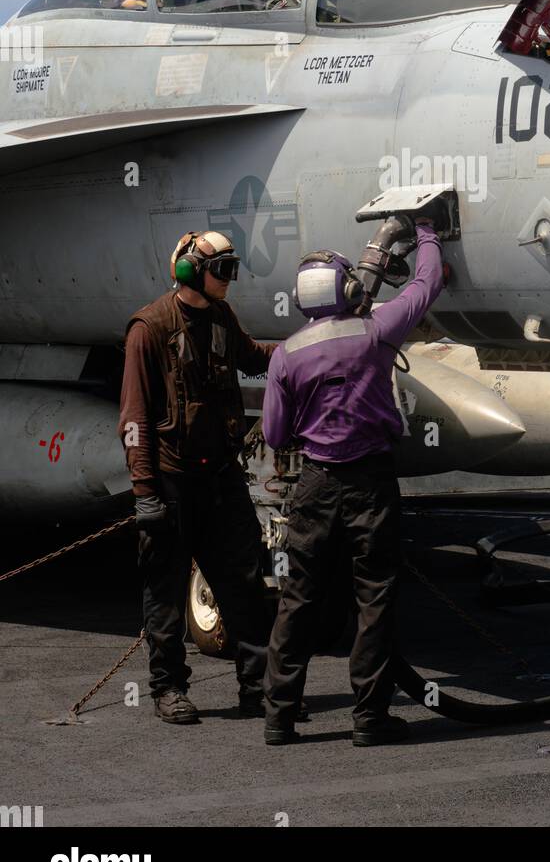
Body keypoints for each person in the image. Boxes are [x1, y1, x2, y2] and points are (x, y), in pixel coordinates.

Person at [262, 218, 445, 747]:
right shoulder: (378, 329)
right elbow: (425, 284)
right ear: (348, 289)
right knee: (376, 598)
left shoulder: (285, 355)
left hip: (316, 484)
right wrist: (430, 234)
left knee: (297, 600)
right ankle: (369, 718)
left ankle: (279, 718)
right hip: (371, 482)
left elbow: (275, 434)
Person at [119, 230, 276, 724]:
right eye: (222, 271)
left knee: (245, 581)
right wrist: (145, 491)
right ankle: (168, 688)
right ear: (190, 271)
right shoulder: (150, 327)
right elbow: (133, 418)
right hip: (171, 481)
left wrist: (309, 349)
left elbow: (255, 358)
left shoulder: (222, 319)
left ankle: (257, 687)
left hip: (220, 478)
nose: (230, 280)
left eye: (232, 270)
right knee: (165, 590)